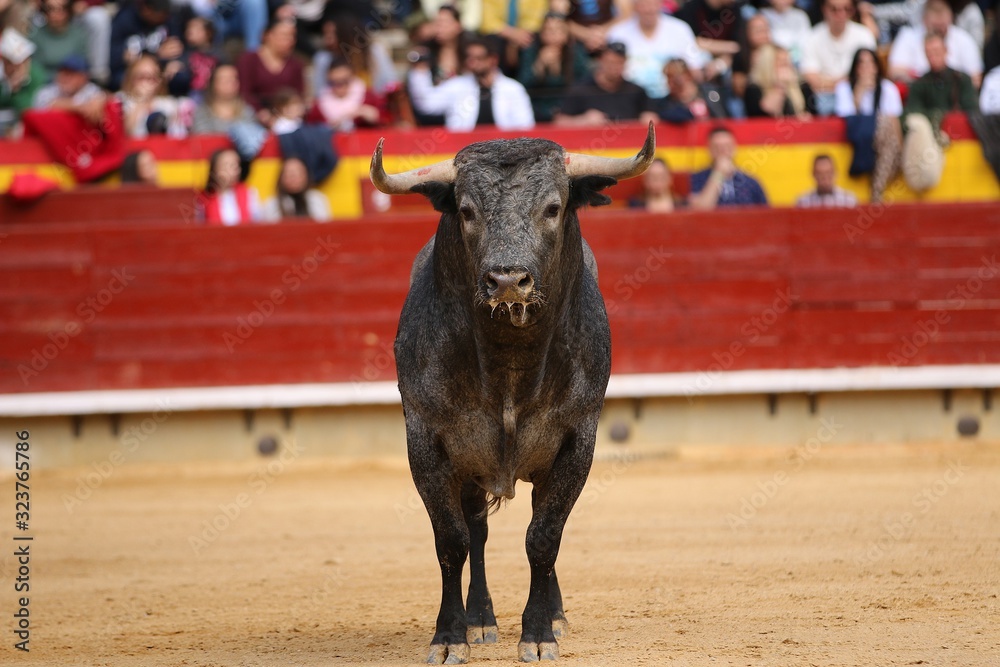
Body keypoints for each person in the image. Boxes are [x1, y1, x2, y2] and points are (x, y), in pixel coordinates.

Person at [408, 36, 535, 131]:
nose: (472, 63)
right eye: (469, 58)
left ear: (493, 59)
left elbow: (525, 127)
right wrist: (420, 71)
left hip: (503, 157)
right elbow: (426, 104)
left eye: (478, 58)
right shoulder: (457, 85)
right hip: (461, 154)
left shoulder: (513, 89)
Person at [901, 33, 978, 191]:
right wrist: (938, 115)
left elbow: (971, 110)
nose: (933, 56)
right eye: (929, 53)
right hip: (929, 140)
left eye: (936, 51)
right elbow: (912, 112)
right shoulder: (920, 84)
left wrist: (940, 116)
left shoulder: (961, 79)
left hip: (959, 142)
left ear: (946, 50)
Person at [836, 47, 903, 202]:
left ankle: (877, 192)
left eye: (870, 63)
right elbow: (851, 121)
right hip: (861, 141)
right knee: (882, 120)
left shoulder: (887, 88)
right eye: (862, 64)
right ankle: (877, 192)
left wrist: (900, 148)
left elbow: (894, 123)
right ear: (855, 68)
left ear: (877, 66)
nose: (866, 68)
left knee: (885, 121)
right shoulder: (844, 88)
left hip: (884, 143)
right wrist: (859, 93)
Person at [606, 0, 704, 100]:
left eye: (653, 4)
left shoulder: (680, 29)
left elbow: (695, 69)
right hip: (630, 99)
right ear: (634, 6)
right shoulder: (617, 33)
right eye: (644, 4)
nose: (649, 9)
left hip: (673, 100)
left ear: (661, 4)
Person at [552, 41, 657, 126]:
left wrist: (649, 120)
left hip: (628, 147)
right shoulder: (581, 90)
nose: (615, 67)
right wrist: (583, 120)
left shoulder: (636, 91)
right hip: (591, 148)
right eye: (611, 62)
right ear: (601, 61)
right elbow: (559, 121)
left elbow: (650, 116)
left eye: (619, 63)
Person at [800, 0, 877, 116]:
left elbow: (871, 73)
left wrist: (830, 82)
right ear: (824, 9)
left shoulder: (864, 34)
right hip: (824, 99)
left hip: (860, 93)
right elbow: (812, 80)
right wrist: (845, 82)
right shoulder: (812, 37)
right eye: (834, 9)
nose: (841, 14)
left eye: (847, 9)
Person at [516, 11, 591, 122]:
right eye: (548, 30)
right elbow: (521, 87)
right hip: (537, 111)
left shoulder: (575, 53)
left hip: (567, 110)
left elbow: (584, 83)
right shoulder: (531, 52)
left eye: (558, 30)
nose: (553, 34)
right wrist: (539, 65)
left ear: (566, 34)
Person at [888, 0, 982, 87]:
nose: (939, 31)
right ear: (924, 19)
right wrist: (927, 85)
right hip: (918, 95)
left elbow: (976, 79)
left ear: (951, 18)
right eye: (935, 26)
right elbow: (895, 72)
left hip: (954, 97)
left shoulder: (964, 39)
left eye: (942, 26)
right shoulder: (908, 36)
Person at [237, 16, 304, 124]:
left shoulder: (296, 64)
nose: (290, 40)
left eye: (292, 36)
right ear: (267, 35)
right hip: (253, 117)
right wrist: (260, 113)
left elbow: (298, 95)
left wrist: (286, 115)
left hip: (287, 119)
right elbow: (244, 93)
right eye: (284, 35)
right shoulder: (248, 60)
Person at [108, 0, 183, 92]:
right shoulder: (125, 19)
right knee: (120, 79)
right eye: (160, 13)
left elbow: (179, 48)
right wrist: (156, 55)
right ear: (147, 9)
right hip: (130, 70)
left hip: (161, 69)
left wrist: (176, 62)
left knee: (180, 77)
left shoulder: (169, 20)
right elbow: (115, 54)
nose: (164, 16)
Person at [689, 126, 768, 210]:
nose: (723, 151)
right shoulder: (696, 179)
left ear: (734, 148)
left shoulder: (750, 182)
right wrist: (718, 174)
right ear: (710, 150)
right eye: (717, 147)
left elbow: (765, 215)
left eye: (727, 146)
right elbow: (700, 210)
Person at [118, 53, 192, 138]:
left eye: (151, 78)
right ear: (131, 77)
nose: (146, 83)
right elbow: (123, 134)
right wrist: (141, 102)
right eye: (141, 77)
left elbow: (177, 136)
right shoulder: (120, 100)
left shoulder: (168, 104)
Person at [675, 0, 744, 80]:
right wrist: (728, 47)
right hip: (693, 66)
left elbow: (737, 47)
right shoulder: (691, 8)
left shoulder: (734, 10)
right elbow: (691, 43)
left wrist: (719, 64)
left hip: (723, 66)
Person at [744, 44, 814, 119]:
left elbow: (812, 112)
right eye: (782, 63)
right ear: (768, 66)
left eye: (788, 62)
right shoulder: (753, 89)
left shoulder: (802, 86)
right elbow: (763, 114)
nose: (787, 67)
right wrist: (780, 86)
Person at [314, 58, 384, 131]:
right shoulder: (318, 106)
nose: (340, 87)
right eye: (334, 82)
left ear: (352, 77)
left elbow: (387, 121)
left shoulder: (369, 97)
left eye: (344, 81)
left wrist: (374, 116)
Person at [27, 0, 89, 83]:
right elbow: (34, 70)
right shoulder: (35, 35)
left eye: (61, 9)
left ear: (68, 10)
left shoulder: (79, 35)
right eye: (50, 9)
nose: (55, 14)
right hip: (43, 85)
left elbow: (82, 67)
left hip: (73, 85)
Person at [0, 26, 44, 137]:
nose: (18, 66)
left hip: (22, 126)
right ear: (3, 59)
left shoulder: (37, 74)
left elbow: (29, 111)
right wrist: (9, 86)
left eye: (23, 60)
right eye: (12, 62)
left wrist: (16, 90)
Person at [200, 147, 262, 225]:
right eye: (228, 165)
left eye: (236, 165)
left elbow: (257, 224)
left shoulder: (249, 192)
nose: (235, 170)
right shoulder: (203, 198)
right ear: (215, 169)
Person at [655, 58, 728, 122]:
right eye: (669, 78)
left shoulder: (710, 92)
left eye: (676, 77)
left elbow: (721, 116)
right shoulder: (666, 103)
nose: (672, 83)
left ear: (688, 75)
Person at [191, 63, 257, 134]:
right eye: (224, 79)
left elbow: (254, 137)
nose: (230, 82)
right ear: (213, 84)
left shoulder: (247, 111)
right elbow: (202, 138)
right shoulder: (202, 112)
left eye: (234, 78)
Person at [261, 157, 331, 221]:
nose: (293, 178)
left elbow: (323, 227)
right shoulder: (272, 203)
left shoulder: (317, 199)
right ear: (281, 178)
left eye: (298, 173)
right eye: (289, 174)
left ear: (306, 176)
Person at [761, 0, 811, 68]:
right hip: (769, 62)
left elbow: (806, 43)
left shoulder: (800, 16)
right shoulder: (762, 15)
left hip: (795, 62)